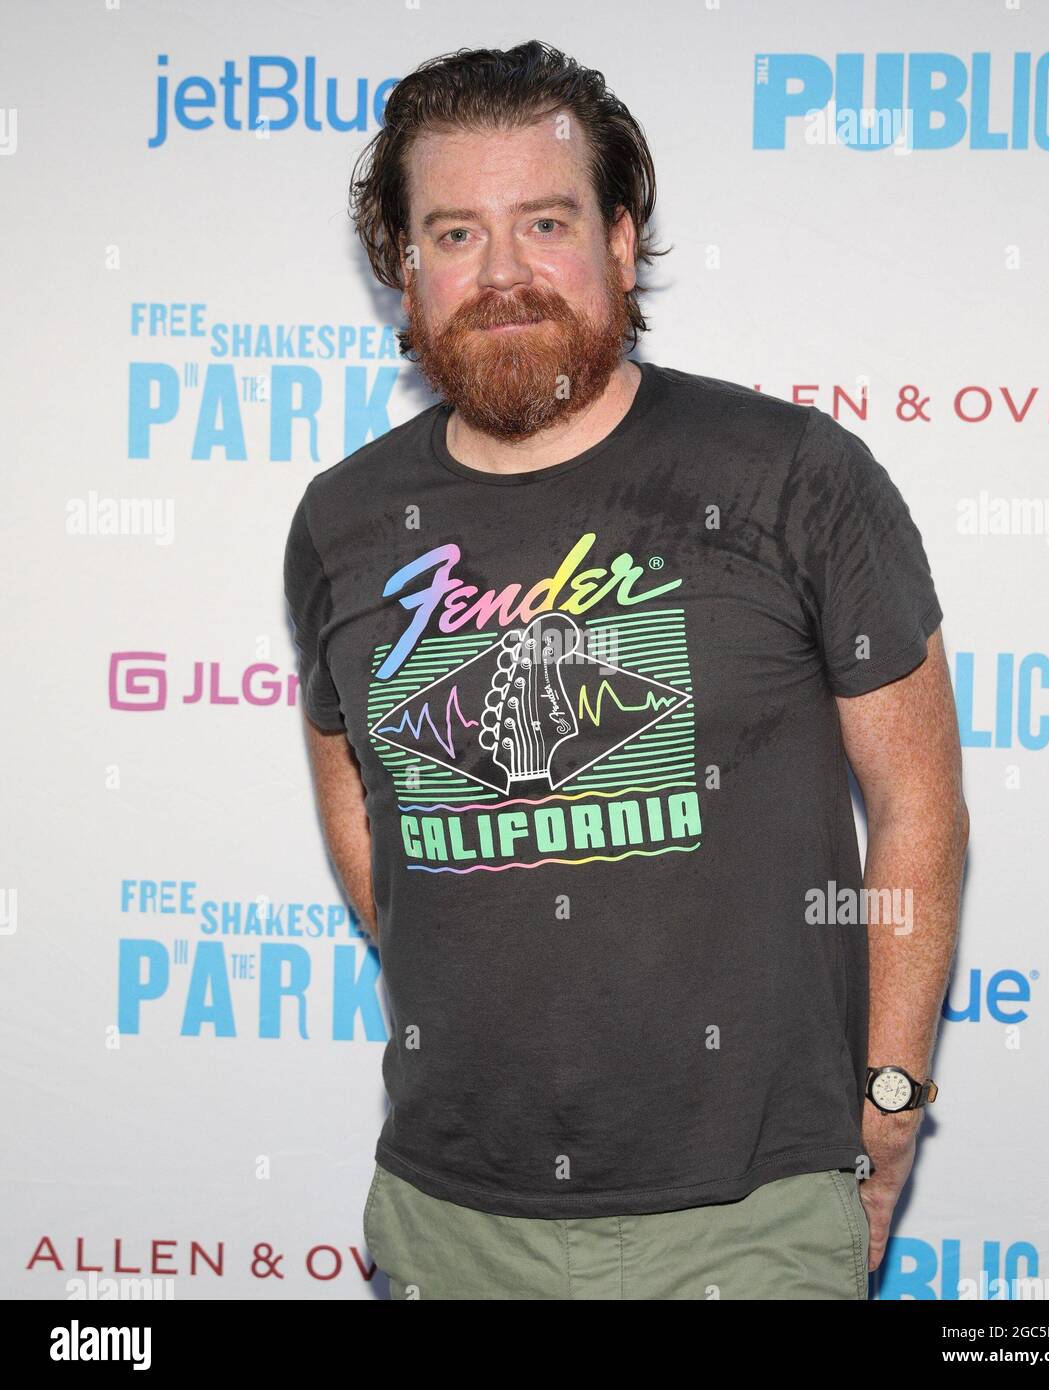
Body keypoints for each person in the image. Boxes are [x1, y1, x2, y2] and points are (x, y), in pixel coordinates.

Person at [283, 40, 969, 1300]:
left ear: (616, 235)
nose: (501, 274)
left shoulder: (795, 476)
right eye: (452, 233)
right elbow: (353, 782)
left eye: (543, 222)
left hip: (746, 1214)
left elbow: (918, 804)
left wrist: (885, 1093)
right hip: (448, 1210)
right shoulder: (342, 518)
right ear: (404, 270)